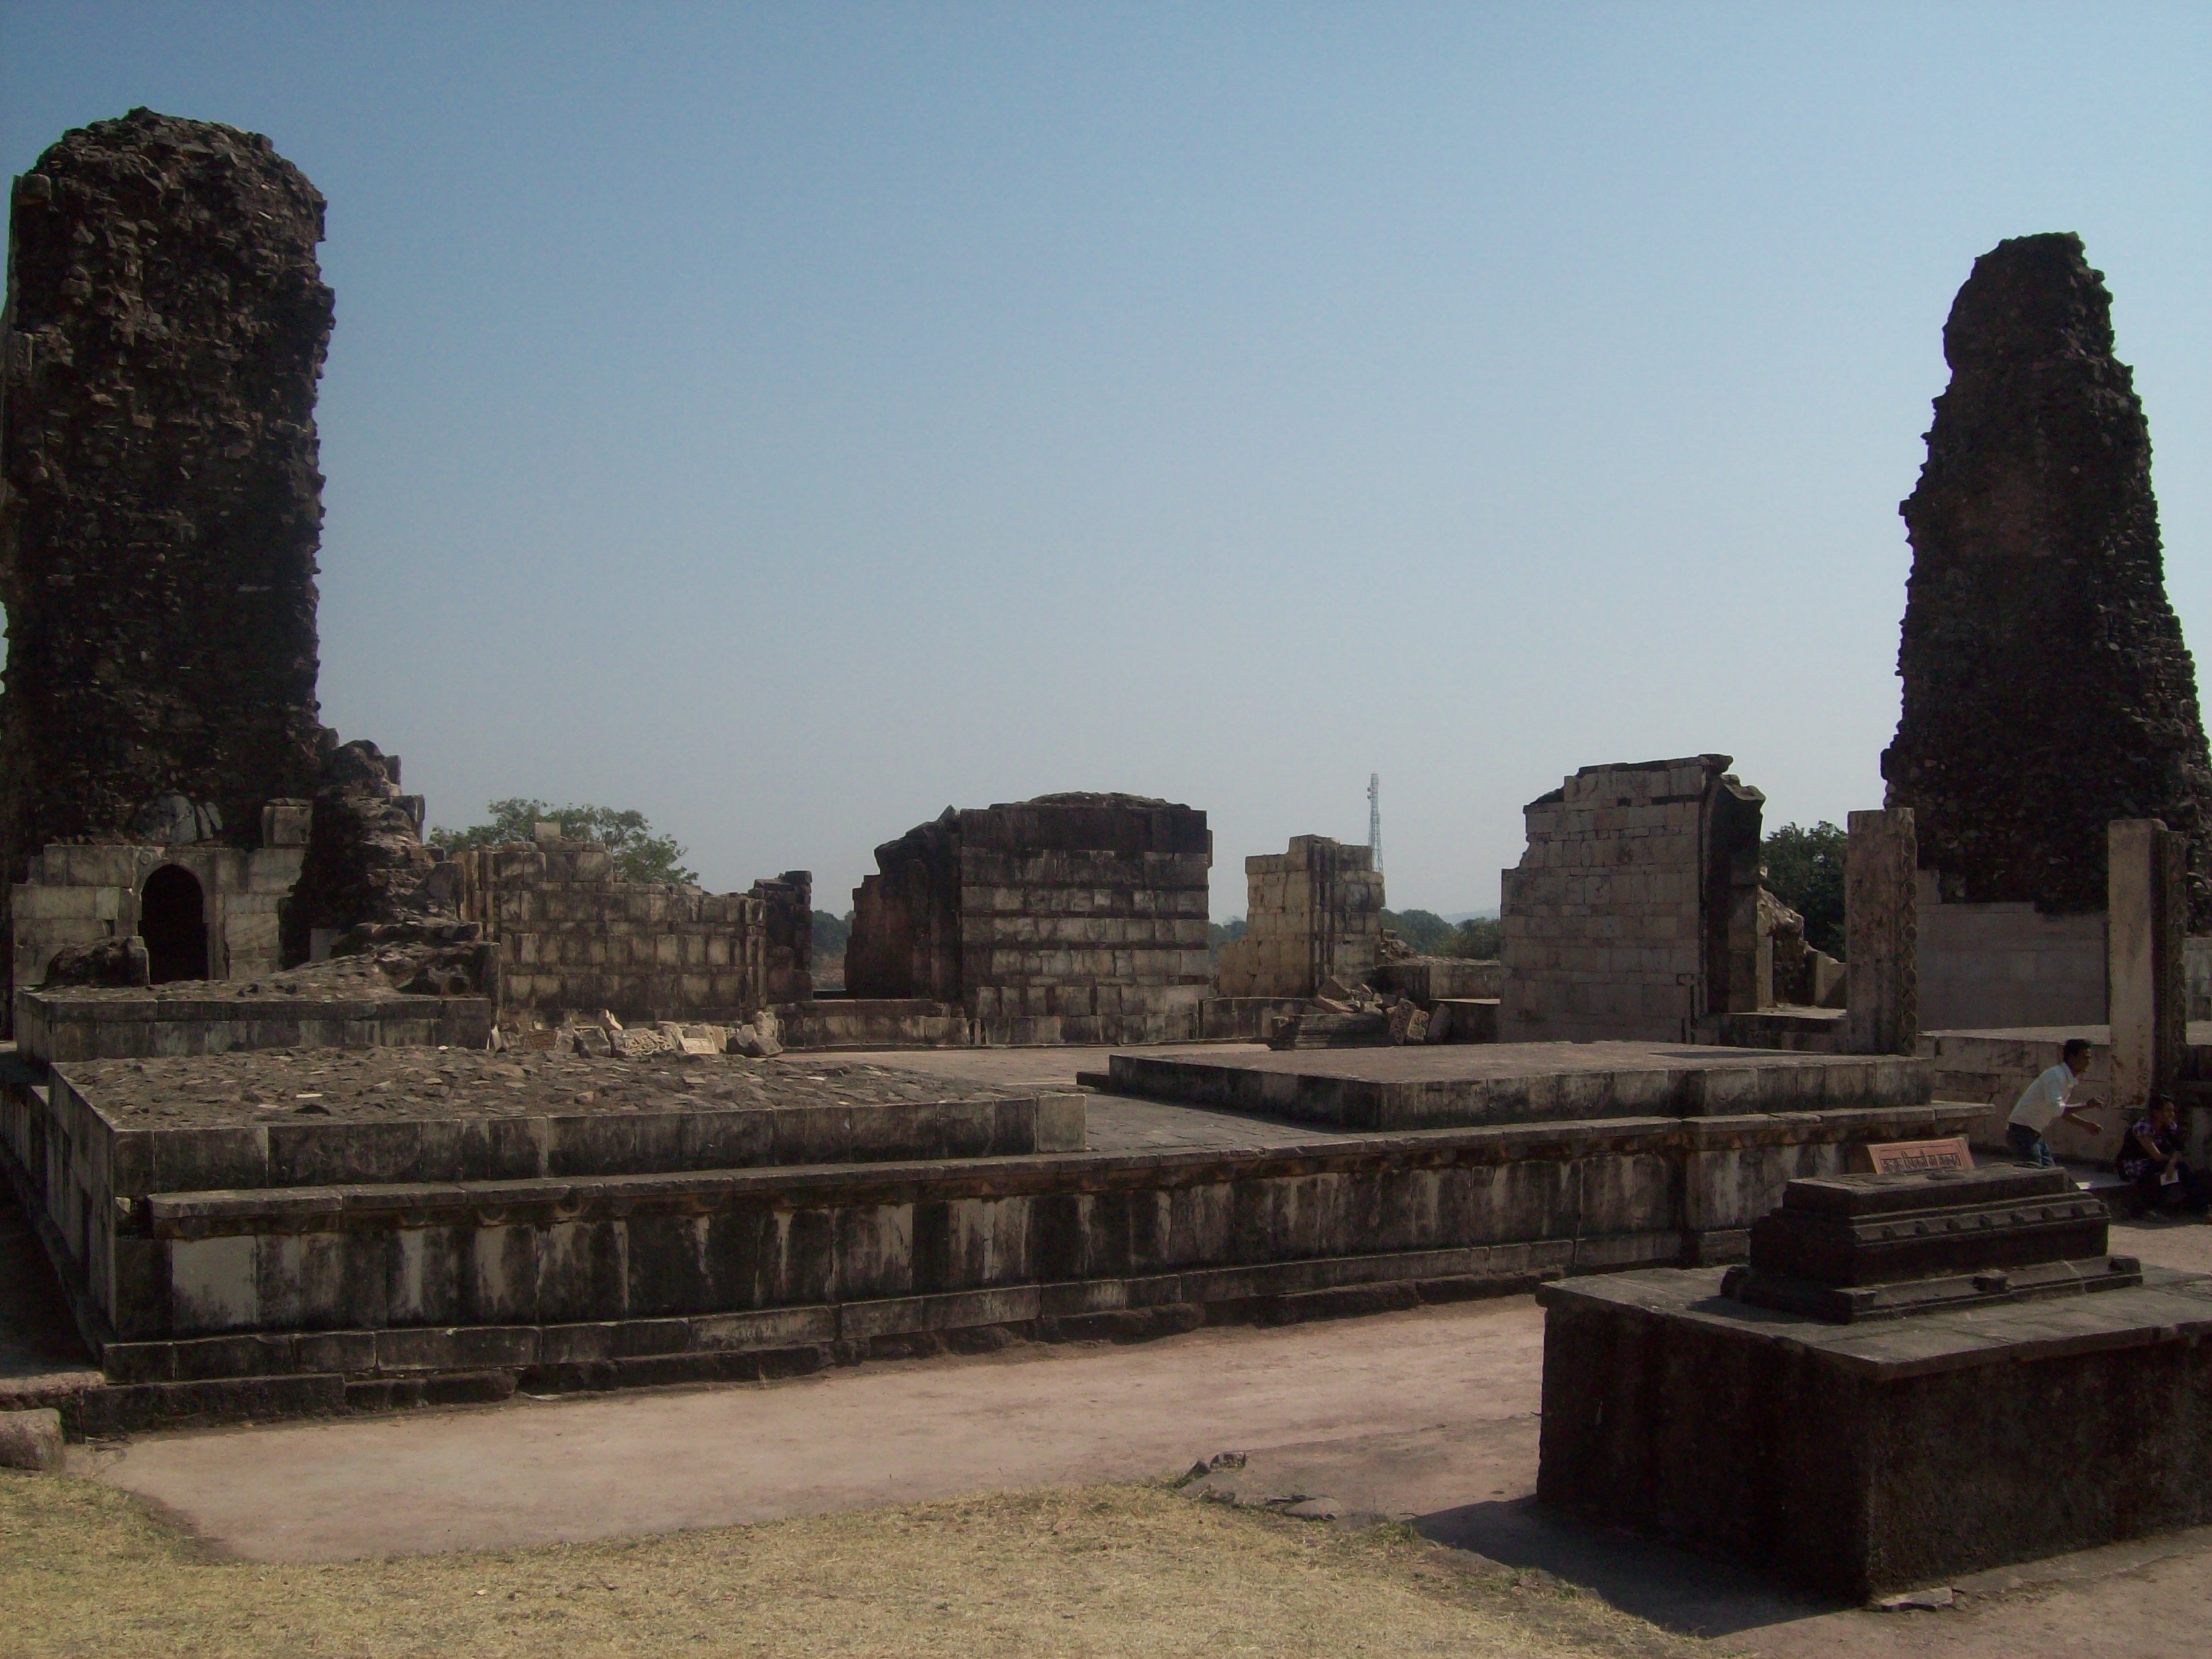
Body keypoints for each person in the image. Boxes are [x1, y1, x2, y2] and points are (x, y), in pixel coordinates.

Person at [2006, 1038, 2103, 1166]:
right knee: (2035, 1177)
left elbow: (2060, 1111)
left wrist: (2085, 1125)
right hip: (2021, 1133)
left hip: (2034, 1134)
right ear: (2072, 1058)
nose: (2089, 1062)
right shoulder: (2055, 1076)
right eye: (2086, 1058)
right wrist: (2086, 1105)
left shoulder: (2066, 1079)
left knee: (2050, 1174)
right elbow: (2058, 1110)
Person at [2117, 1093, 2210, 1215]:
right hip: (2134, 1164)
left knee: (2181, 1169)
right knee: (2161, 1173)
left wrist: (2171, 1163)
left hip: (2157, 1162)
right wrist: (2171, 1161)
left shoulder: (2169, 1126)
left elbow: (2178, 1149)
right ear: (2156, 1112)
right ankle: (2148, 1208)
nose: (2172, 1115)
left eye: (2173, 1111)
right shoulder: (2143, 1127)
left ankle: (2203, 1207)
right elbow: (2156, 1155)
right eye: (2168, 1111)